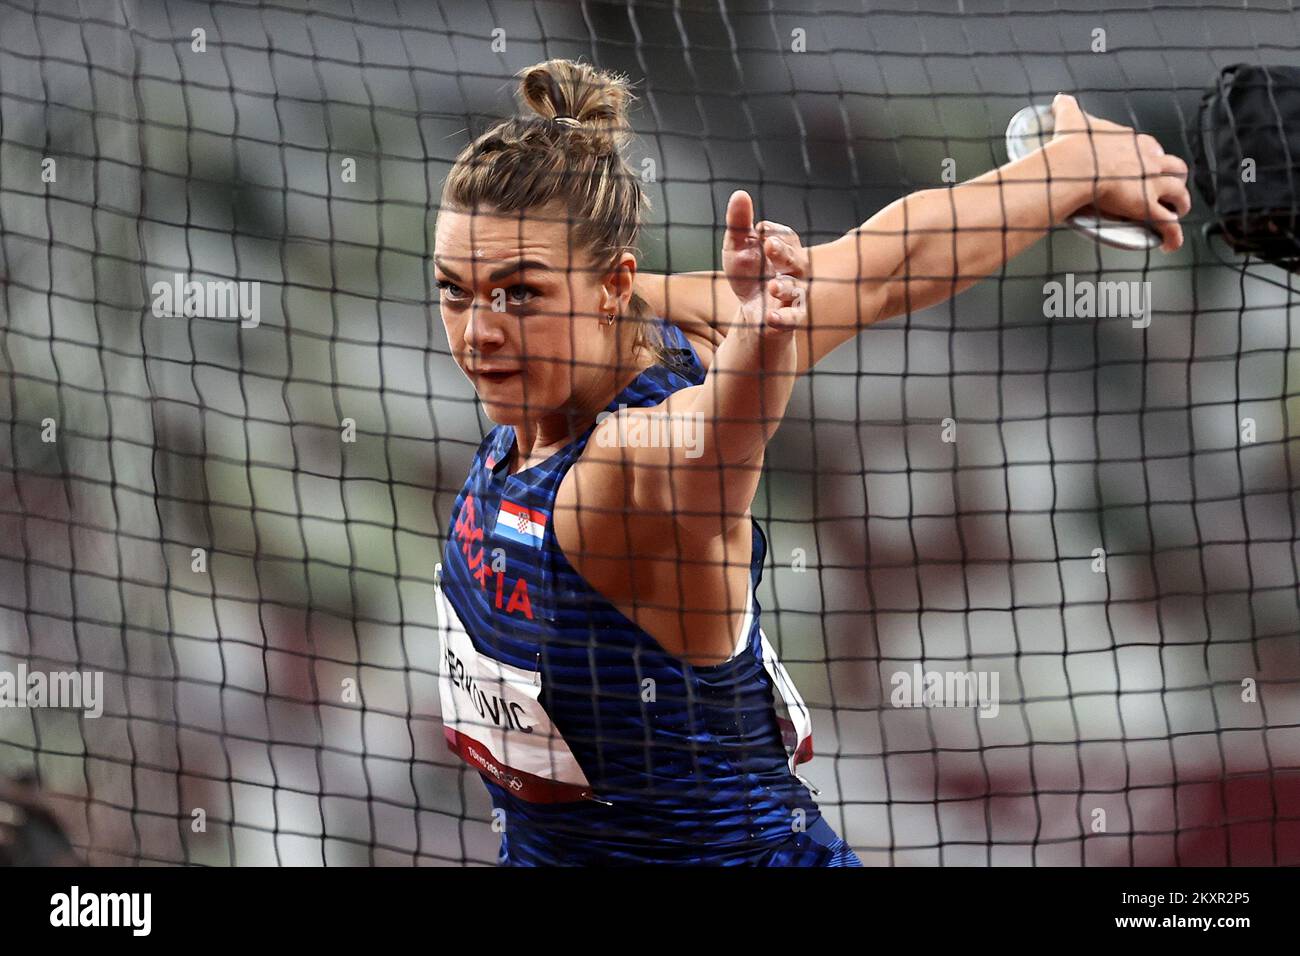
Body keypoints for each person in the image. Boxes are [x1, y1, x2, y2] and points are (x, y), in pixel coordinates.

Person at [432, 58, 1190, 865]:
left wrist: (763, 348)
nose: (479, 331)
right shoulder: (623, 335)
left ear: (613, 285)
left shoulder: (622, 476)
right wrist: (1068, 167)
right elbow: (887, 264)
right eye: (454, 290)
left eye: (519, 293)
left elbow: (712, 440)